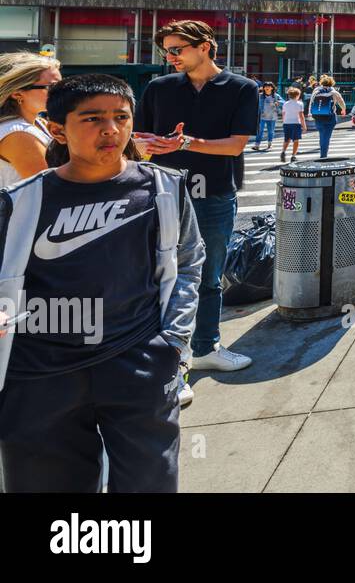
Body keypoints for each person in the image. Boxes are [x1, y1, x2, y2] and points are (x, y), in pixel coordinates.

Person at [0, 73, 203, 492]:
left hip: (140, 363)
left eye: (121, 117)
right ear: (57, 129)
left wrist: (174, 342)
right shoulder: (20, 201)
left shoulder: (163, 189)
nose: (110, 129)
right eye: (92, 118)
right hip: (39, 372)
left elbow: (188, 262)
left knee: (149, 482)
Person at [134, 20, 257, 389]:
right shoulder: (158, 88)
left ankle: (205, 347)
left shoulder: (241, 87)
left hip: (216, 193)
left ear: (205, 46)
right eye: (166, 51)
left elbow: (235, 145)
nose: (170, 57)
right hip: (162, 194)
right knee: (160, 277)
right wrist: (150, 146)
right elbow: (139, 141)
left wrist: (185, 143)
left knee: (209, 277)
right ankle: (169, 363)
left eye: (177, 49)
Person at [0, 52, 61, 188]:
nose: (61, 92)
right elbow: (51, 188)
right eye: (52, 87)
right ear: (17, 93)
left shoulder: (39, 122)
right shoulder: (17, 134)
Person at [308, 76, 346, 158]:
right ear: (331, 83)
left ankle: (323, 151)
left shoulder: (316, 90)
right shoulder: (333, 92)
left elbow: (311, 102)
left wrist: (310, 113)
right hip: (330, 117)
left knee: (322, 135)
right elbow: (341, 101)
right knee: (327, 137)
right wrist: (343, 109)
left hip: (318, 116)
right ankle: (323, 155)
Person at [253, 81, 282, 151]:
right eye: (265, 86)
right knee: (259, 131)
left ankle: (270, 144)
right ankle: (257, 145)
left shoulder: (276, 96)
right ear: (263, 88)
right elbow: (253, 103)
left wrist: (277, 103)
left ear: (272, 88)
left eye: (269, 86)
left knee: (271, 131)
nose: (267, 88)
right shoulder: (260, 95)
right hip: (261, 116)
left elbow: (283, 102)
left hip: (272, 116)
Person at [281, 86, 305, 163]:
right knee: (296, 140)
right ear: (297, 95)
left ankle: (283, 151)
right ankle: (293, 156)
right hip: (295, 123)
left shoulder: (285, 103)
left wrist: (284, 122)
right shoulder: (300, 104)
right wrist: (304, 126)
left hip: (286, 123)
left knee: (287, 139)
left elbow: (283, 114)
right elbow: (301, 116)